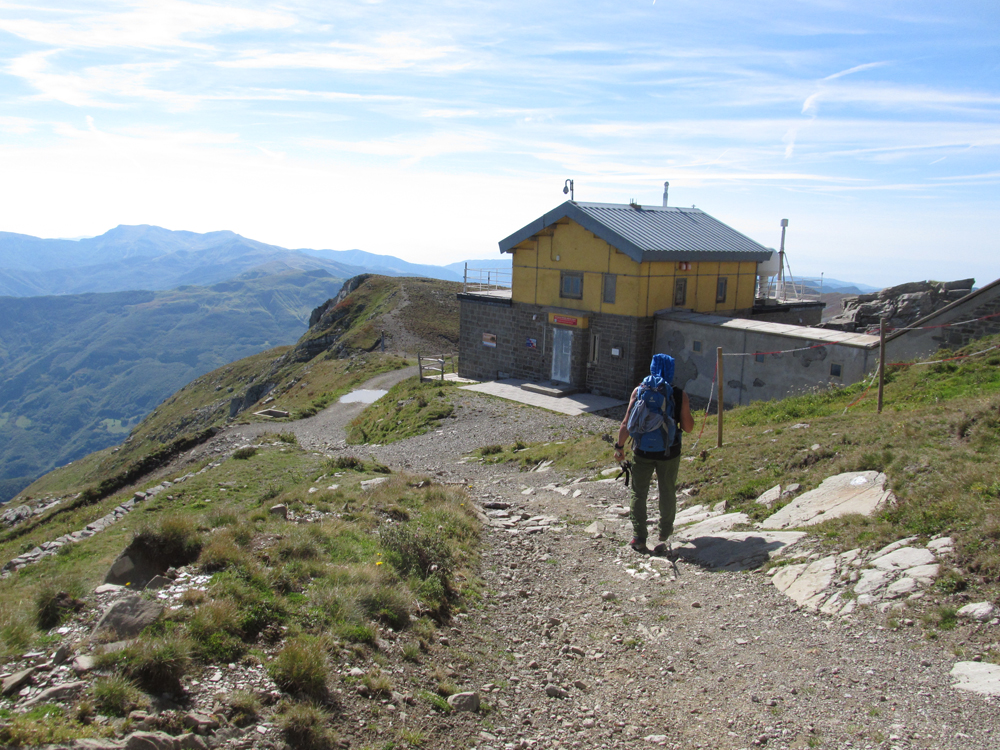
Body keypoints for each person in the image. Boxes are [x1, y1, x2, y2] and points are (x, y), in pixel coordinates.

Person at [613, 353, 694, 554]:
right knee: (666, 490)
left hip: (642, 451)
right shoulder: (678, 394)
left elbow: (627, 423)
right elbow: (688, 427)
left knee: (638, 493)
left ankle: (639, 537)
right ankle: (664, 533)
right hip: (670, 451)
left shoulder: (639, 391)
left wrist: (619, 447)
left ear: (651, 368)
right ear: (671, 370)